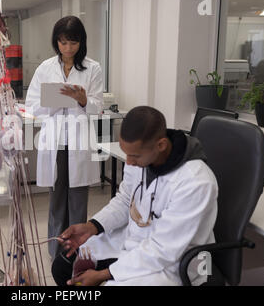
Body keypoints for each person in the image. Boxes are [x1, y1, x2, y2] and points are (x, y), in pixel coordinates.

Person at [51, 106, 218, 286]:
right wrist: (92, 227)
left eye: (134, 156)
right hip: (134, 242)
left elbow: (164, 251)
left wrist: (104, 275)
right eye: (126, 154)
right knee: (62, 267)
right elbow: (125, 200)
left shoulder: (195, 182)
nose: (128, 162)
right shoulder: (143, 159)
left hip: (174, 263)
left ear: (161, 145)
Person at [25, 16, 104, 260]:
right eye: (63, 43)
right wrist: (55, 102)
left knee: (78, 197)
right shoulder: (45, 68)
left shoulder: (93, 68)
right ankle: (57, 249)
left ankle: (77, 250)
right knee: (57, 197)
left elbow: (98, 106)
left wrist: (82, 100)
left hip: (79, 140)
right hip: (55, 140)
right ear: (56, 42)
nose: (68, 48)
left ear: (81, 42)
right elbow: (31, 105)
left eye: (73, 43)